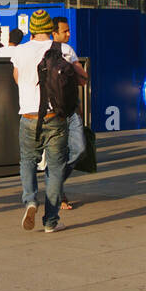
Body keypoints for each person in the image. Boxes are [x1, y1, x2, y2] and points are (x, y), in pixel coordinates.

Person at [11, 10, 84, 233]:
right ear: (48, 29)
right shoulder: (63, 49)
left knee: (28, 161)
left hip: (29, 116)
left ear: (31, 29)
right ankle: (51, 221)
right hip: (56, 117)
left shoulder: (20, 51)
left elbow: (16, 78)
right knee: (55, 167)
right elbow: (83, 79)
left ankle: (31, 200)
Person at [51, 16, 90, 210]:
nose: (68, 34)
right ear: (54, 32)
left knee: (78, 149)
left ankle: (54, 184)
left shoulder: (68, 50)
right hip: (52, 112)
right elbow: (83, 79)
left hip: (70, 109)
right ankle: (58, 192)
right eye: (64, 31)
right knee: (62, 152)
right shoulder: (65, 51)